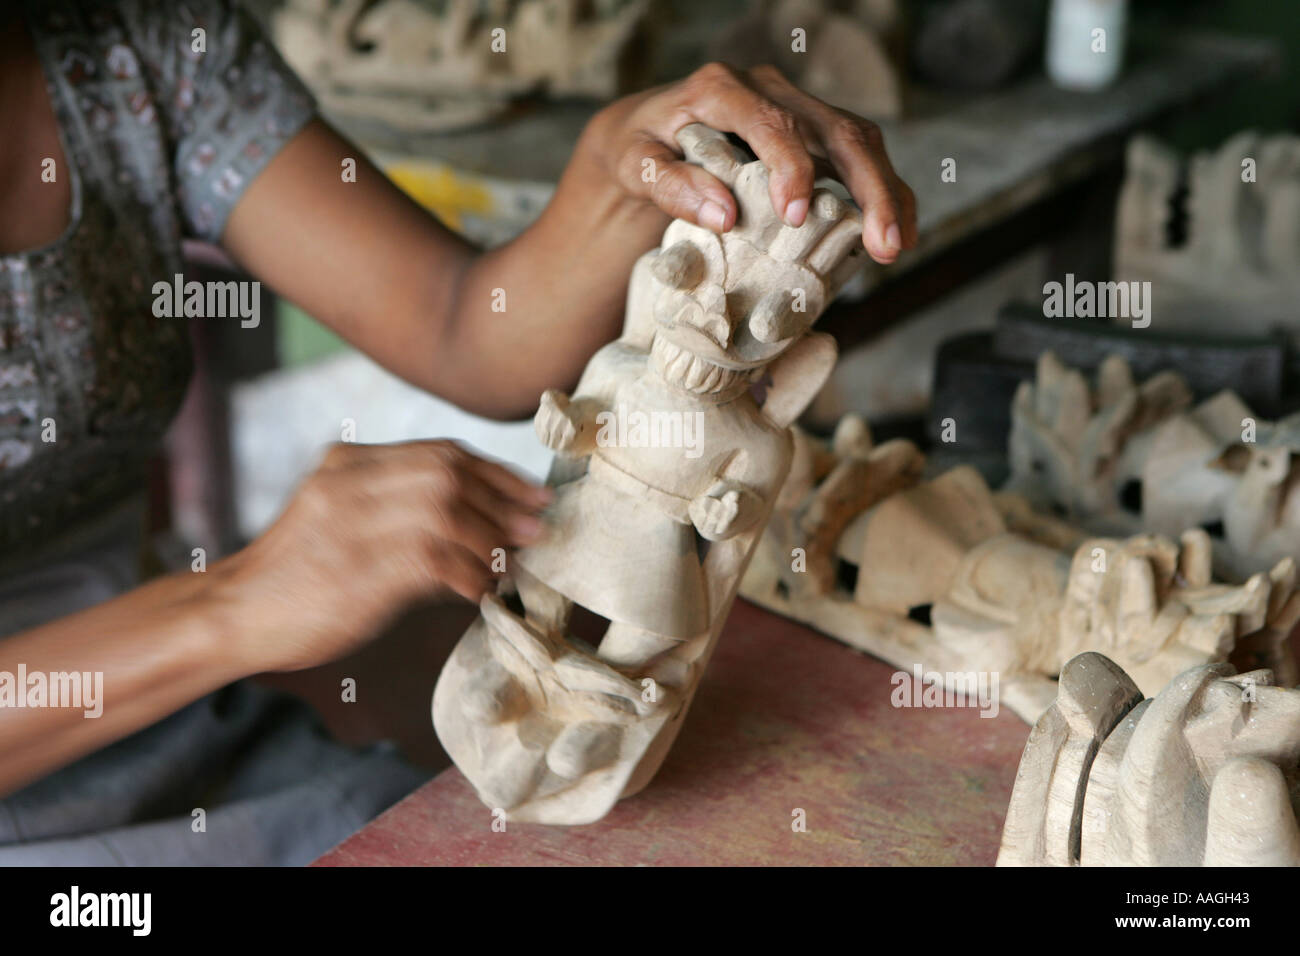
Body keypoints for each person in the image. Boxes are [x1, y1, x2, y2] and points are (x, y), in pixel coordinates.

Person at [0, 0, 917, 864]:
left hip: (167, 727)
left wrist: (618, 173)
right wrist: (231, 607)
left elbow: (458, 325)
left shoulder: (137, 50)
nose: (716, 319)